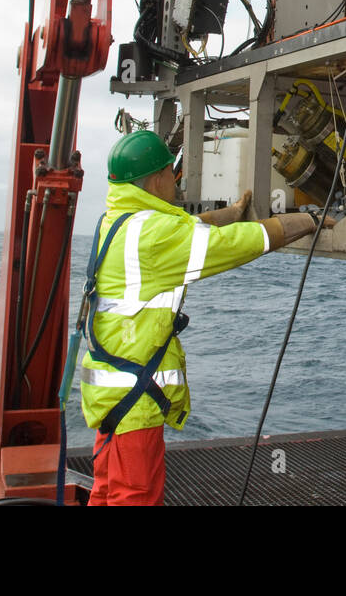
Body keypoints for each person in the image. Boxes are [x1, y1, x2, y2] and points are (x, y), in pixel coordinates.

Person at [80, 129, 327, 506]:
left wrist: (231, 213)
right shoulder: (152, 234)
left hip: (109, 395)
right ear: (158, 178)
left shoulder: (116, 222)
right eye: (170, 174)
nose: (176, 183)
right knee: (136, 496)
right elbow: (229, 246)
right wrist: (304, 221)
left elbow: (184, 232)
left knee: (107, 492)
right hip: (134, 401)